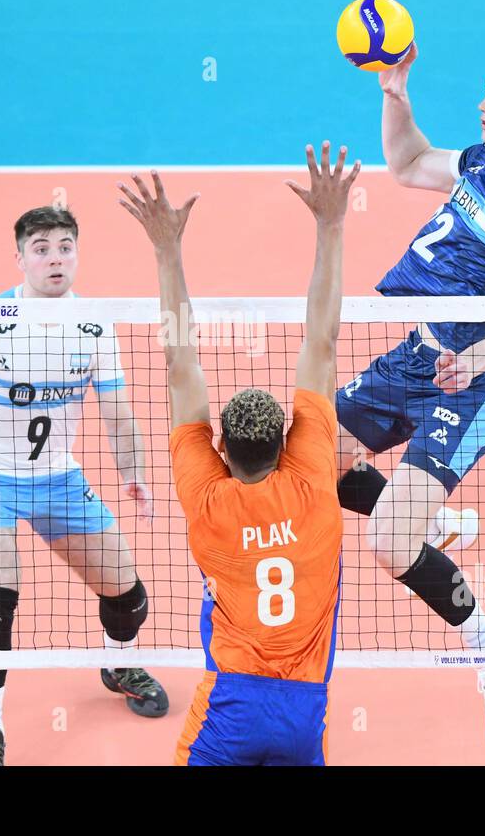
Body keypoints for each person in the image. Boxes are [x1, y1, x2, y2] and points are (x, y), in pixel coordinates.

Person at [336, 43, 485, 749]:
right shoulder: (476, 162)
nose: (484, 103)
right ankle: (432, 522)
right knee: (312, 456)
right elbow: (407, 164)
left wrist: (472, 362)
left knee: (386, 541)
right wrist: (395, 93)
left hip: (471, 386)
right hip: (416, 355)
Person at [119, 143, 356, 765]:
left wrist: (167, 249)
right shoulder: (312, 481)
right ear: (290, 441)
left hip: (230, 709)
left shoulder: (207, 497)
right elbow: (322, 341)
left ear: (220, 445)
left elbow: (180, 366)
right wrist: (331, 224)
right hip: (306, 711)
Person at [0, 206, 167, 767]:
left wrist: (133, 473)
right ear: (21, 257)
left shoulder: (94, 325)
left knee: (129, 595)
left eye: (65, 246)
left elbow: (119, 415)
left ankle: (118, 661)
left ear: (77, 254)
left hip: (58, 479)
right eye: (42, 247)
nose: (55, 258)